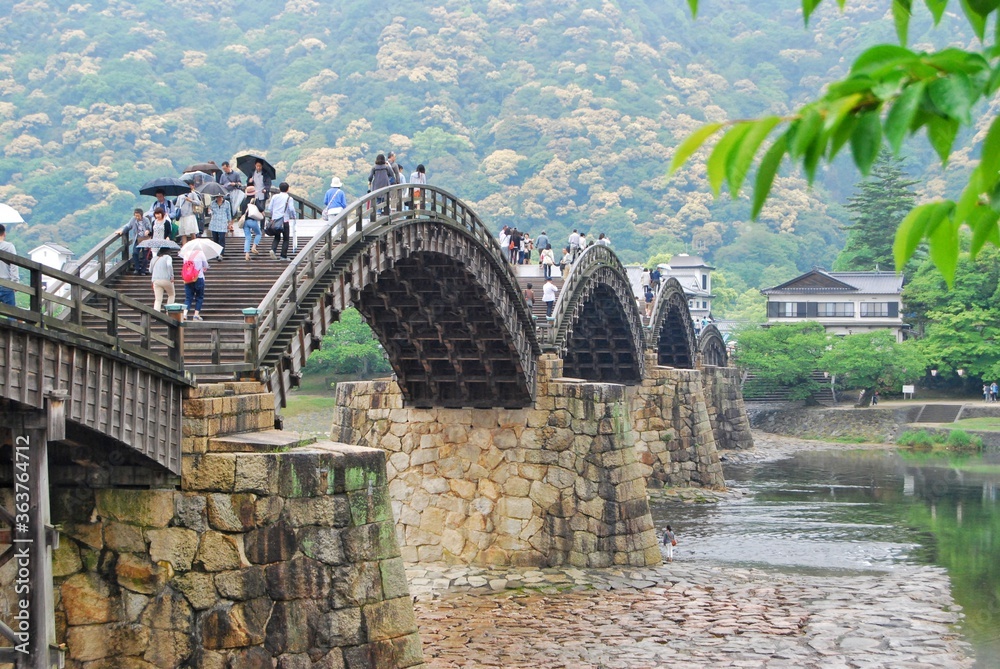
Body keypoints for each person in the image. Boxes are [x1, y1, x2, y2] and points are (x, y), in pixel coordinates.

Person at [267, 182, 296, 261]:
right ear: (288, 189)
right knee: (286, 239)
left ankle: (273, 250)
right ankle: (283, 256)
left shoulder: (275, 196)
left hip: (275, 220)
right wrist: (293, 216)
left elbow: (270, 208)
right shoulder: (289, 198)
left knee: (277, 237)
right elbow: (291, 209)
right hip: (284, 221)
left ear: (279, 189)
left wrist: (273, 215)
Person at [182, 249, 209, 321]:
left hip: (188, 278)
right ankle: (196, 315)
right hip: (198, 277)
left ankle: (185, 314)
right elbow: (205, 264)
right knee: (199, 297)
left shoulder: (186, 253)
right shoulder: (200, 253)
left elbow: (185, 264)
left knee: (188, 297)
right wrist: (203, 268)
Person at [237, 186, 263, 261]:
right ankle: (254, 247)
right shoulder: (254, 200)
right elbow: (261, 208)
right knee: (258, 233)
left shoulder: (244, 200)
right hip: (252, 220)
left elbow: (242, 211)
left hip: (245, 221)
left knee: (247, 238)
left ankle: (247, 254)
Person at [123, 207, 151, 275]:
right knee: (135, 253)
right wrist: (122, 231)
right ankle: (137, 268)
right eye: (135, 216)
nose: (137, 217)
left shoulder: (146, 220)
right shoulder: (133, 219)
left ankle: (143, 270)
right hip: (137, 239)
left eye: (138, 216)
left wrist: (148, 230)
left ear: (141, 215)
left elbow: (149, 227)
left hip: (145, 239)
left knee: (145, 256)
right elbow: (128, 226)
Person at [207, 194, 232, 261]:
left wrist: (229, 222)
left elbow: (228, 213)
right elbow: (210, 212)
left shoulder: (227, 203)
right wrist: (209, 210)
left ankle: (221, 254)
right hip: (214, 222)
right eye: (217, 197)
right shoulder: (212, 203)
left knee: (222, 238)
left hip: (223, 223)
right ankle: (216, 253)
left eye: (220, 197)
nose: (219, 198)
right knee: (215, 239)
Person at [149, 247, 174, 312]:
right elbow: (169, 265)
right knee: (171, 295)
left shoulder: (154, 259)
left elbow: (150, 270)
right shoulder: (168, 257)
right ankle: (169, 312)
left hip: (156, 280)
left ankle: (156, 314)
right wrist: (171, 275)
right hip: (166, 279)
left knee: (158, 299)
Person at [0, 224, 19, 308]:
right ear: (4, 233)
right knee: (11, 312)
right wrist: (15, 282)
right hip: (7, 284)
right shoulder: (9, 247)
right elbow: (14, 265)